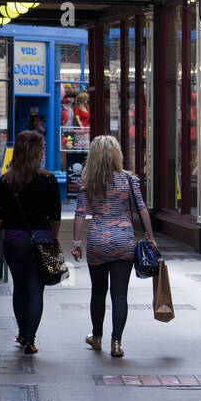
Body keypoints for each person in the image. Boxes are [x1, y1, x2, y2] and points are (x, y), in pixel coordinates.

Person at [71, 135, 157, 359]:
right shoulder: (129, 180)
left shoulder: (87, 181)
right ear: (117, 154)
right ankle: (116, 342)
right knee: (120, 294)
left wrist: (76, 243)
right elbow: (142, 209)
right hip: (123, 241)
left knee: (98, 291)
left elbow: (80, 213)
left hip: (98, 240)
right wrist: (150, 236)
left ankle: (96, 336)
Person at [0, 129, 61, 355]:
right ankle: (30, 339)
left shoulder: (6, 181)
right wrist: (52, 239)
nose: (44, 151)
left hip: (14, 241)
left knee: (20, 287)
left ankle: (23, 332)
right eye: (42, 147)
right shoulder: (49, 179)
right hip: (42, 239)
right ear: (36, 152)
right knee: (36, 289)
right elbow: (55, 216)